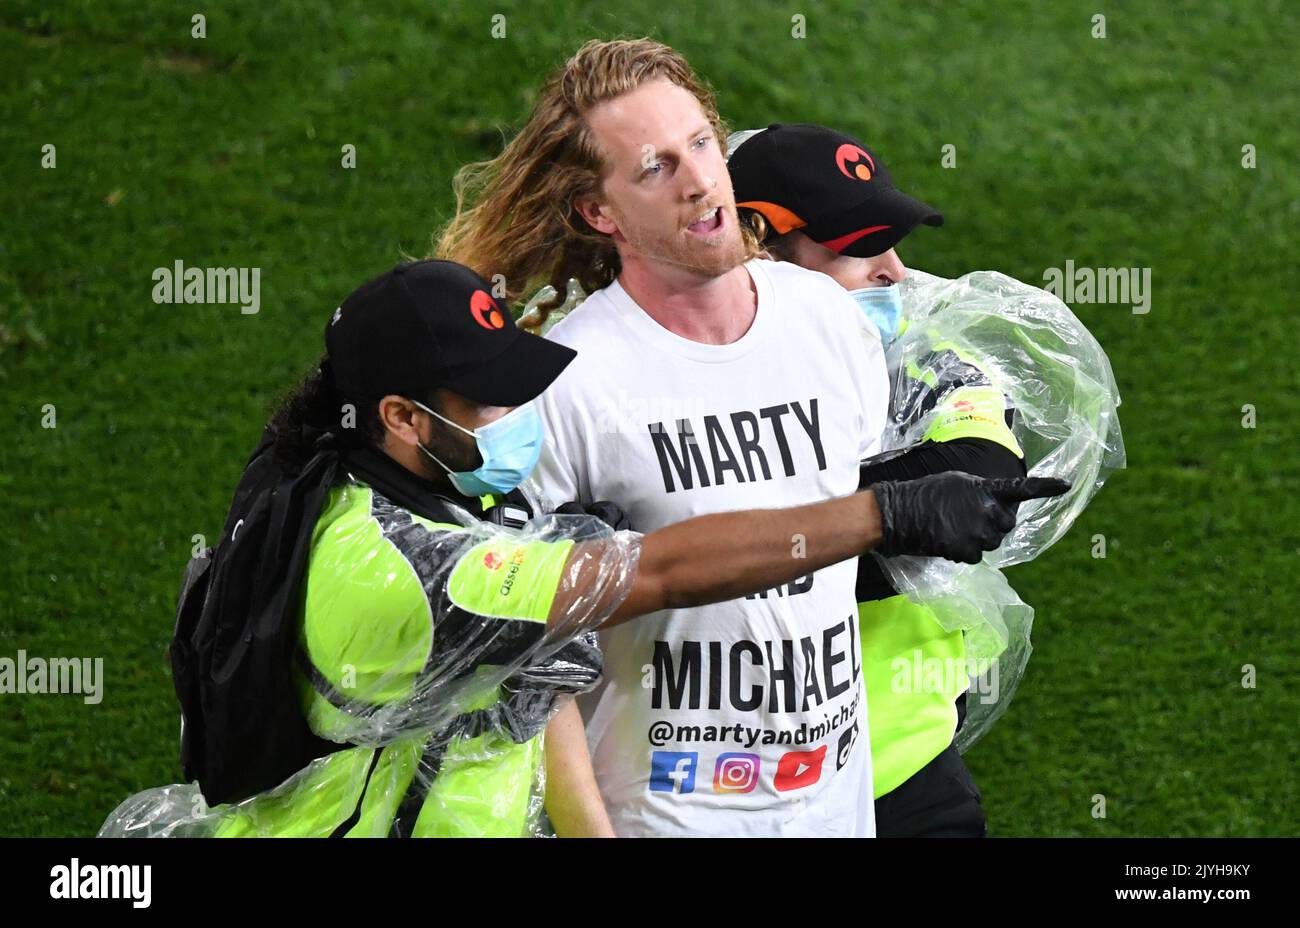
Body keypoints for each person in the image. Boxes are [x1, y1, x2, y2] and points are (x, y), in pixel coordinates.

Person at [99, 258, 1063, 839]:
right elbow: (658, 572)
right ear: (401, 416)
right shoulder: (403, 568)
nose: (528, 415)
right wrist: (888, 513)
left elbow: (530, 674)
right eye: (495, 399)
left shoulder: (380, 484)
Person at [434, 38, 1041, 837]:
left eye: (699, 146)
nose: (695, 182)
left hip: (838, 809)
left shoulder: (825, 321)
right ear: (598, 212)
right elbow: (525, 660)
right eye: (654, 167)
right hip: (670, 816)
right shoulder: (566, 387)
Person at [727, 123, 1029, 836]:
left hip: (903, 776)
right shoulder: (660, 374)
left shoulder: (930, 362)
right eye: (856, 248)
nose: (893, 269)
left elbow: (981, 487)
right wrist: (883, 517)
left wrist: (764, 532)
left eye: (890, 243)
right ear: (754, 250)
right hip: (718, 789)